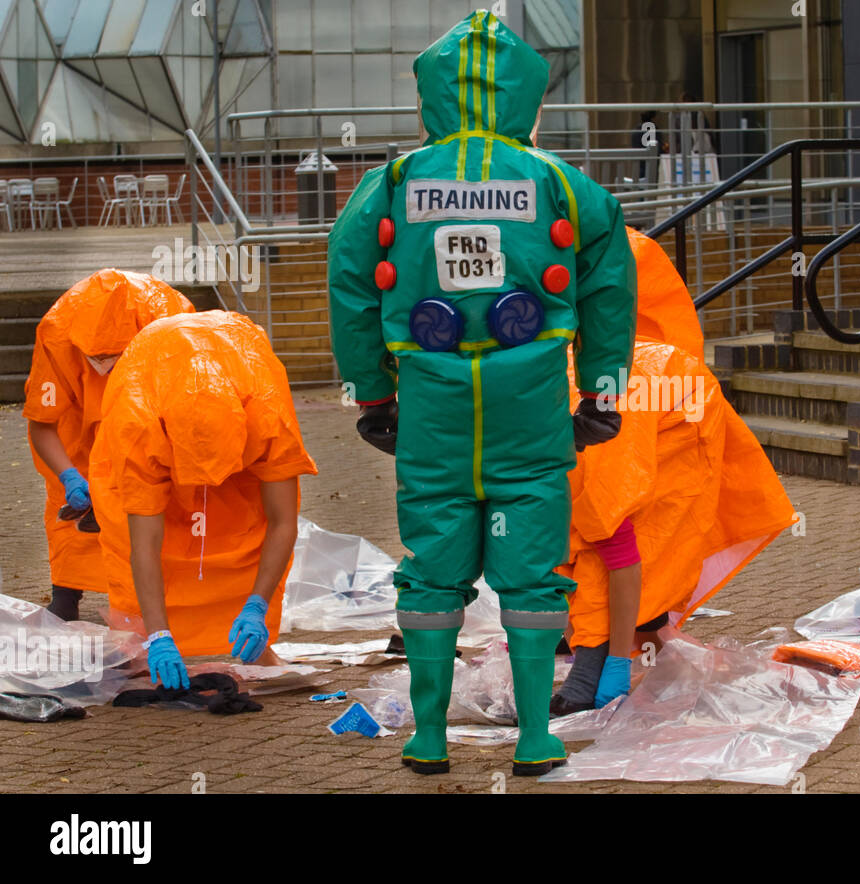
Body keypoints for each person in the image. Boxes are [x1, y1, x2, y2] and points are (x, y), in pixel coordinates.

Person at [328, 11, 636, 776]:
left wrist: (371, 394)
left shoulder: (393, 184)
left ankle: (429, 737)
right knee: (532, 564)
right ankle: (535, 736)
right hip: (529, 410)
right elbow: (609, 289)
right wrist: (601, 394)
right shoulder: (564, 184)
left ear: (430, 94)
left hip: (430, 410)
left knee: (432, 560)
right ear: (528, 96)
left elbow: (349, 284)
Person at [551, 229, 797, 714]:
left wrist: (606, 655)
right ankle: (615, 642)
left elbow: (609, 534)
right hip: (637, 404)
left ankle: (604, 654)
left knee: (622, 537)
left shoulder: (613, 436)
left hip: (660, 418)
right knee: (607, 542)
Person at [88, 311, 318, 690]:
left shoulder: (268, 416)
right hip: (149, 369)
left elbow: (281, 522)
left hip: (239, 358)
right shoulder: (137, 427)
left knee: (246, 522)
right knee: (129, 529)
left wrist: (257, 604)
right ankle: (142, 643)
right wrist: (159, 635)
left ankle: (260, 649)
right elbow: (142, 546)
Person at [23, 269, 194, 622]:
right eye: (95, 357)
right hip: (79, 429)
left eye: (111, 356)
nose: (103, 367)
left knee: (150, 504)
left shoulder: (171, 321)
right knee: (66, 500)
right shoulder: (58, 333)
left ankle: (160, 594)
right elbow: (42, 421)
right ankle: (66, 594)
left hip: (147, 423)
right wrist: (69, 475)